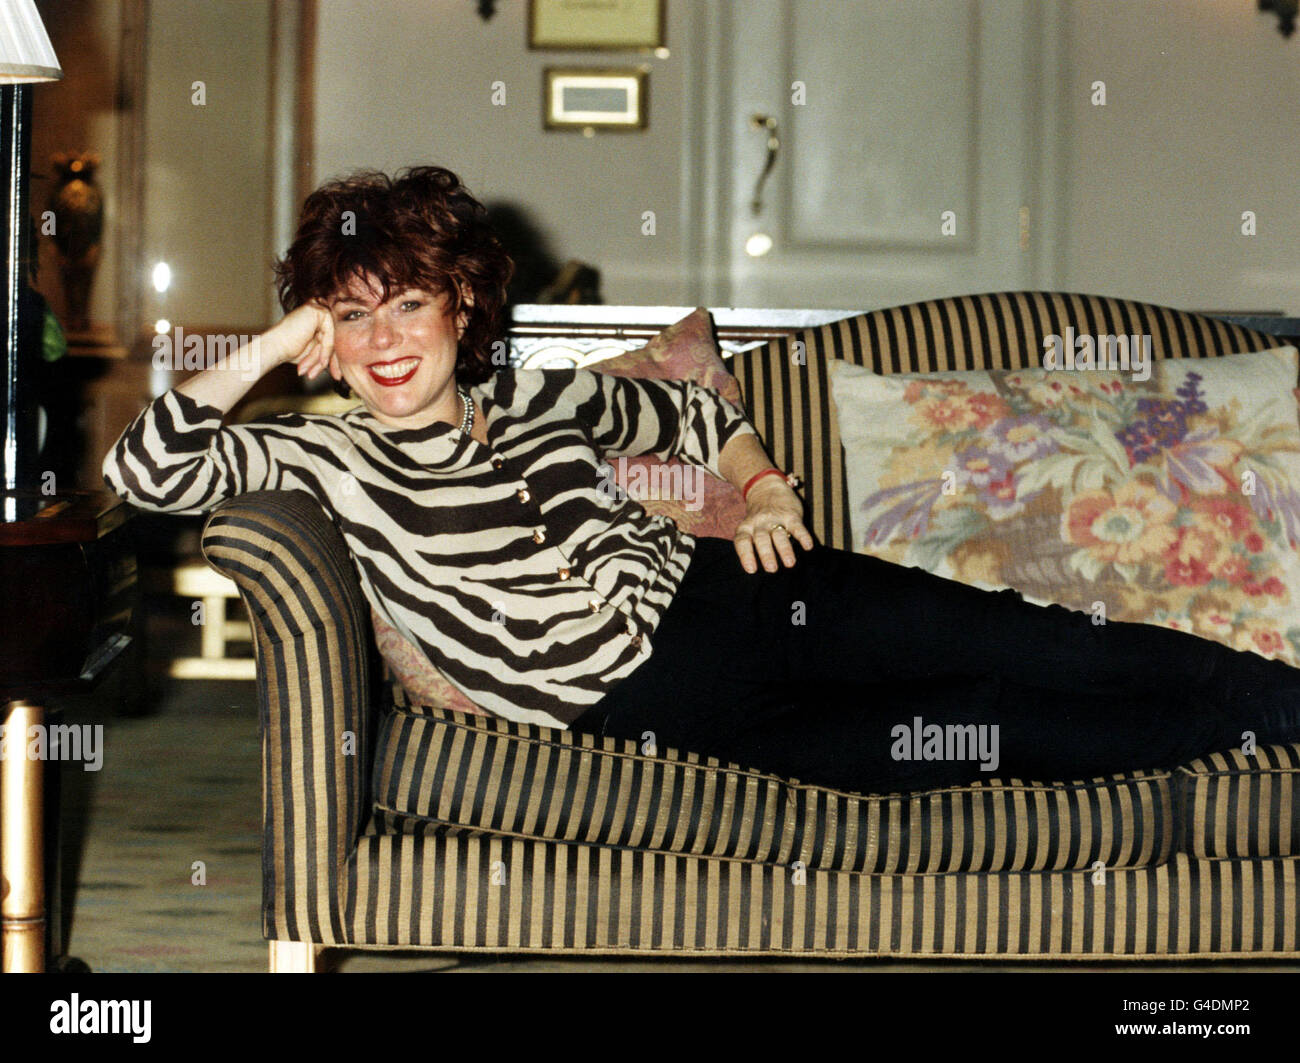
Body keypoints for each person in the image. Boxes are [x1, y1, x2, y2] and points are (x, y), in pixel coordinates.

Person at [103, 166, 1300, 794]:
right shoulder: (323, 452)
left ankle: (1278, 701)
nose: (382, 340)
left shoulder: (542, 398)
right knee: (993, 739)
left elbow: (686, 409)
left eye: (407, 302)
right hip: (656, 715)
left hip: (735, 593)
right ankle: (1246, 734)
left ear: (460, 302)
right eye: (351, 315)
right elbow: (143, 471)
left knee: (1038, 642)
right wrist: (268, 345)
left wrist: (766, 487)